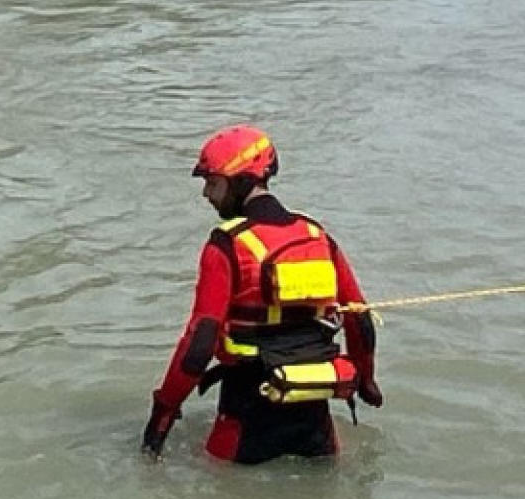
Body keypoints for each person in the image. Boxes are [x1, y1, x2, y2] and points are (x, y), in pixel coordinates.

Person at [144, 124, 381, 462]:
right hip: (316, 428)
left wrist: (164, 410)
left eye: (212, 183)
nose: (206, 194)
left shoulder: (226, 245)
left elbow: (199, 345)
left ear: (241, 182)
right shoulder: (317, 236)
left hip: (243, 425)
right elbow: (361, 320)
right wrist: (367, 380)